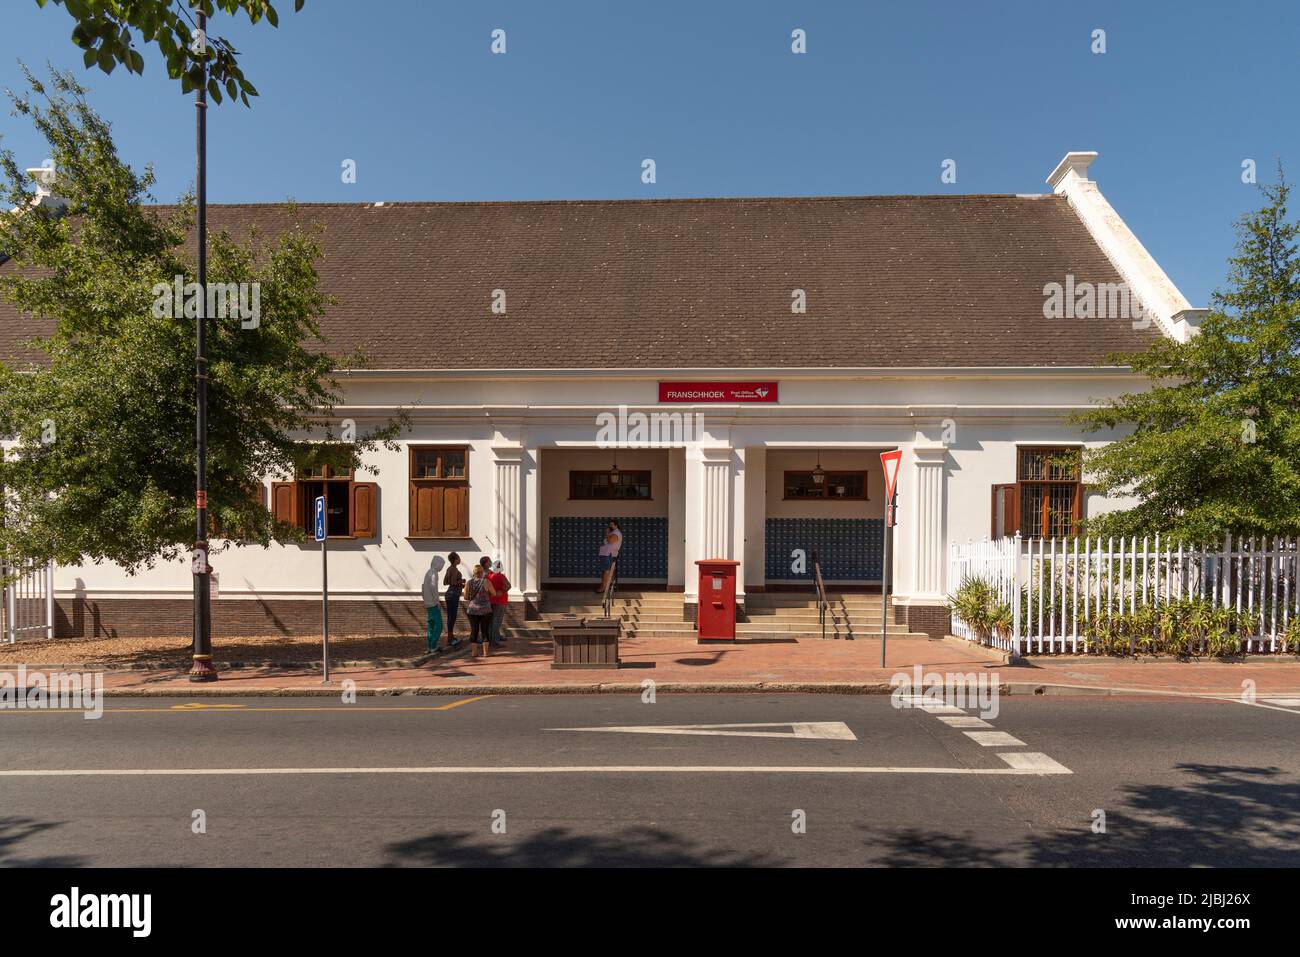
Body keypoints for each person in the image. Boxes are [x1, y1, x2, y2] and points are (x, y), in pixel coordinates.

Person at [463, 563, 496, 657]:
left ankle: (474, 652)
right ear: (482, 573)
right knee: (485, 631)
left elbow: (465, 597)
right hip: (485, 610)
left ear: (474, 572)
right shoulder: (486, 582)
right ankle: (486, 653)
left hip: (472, 610)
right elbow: (493, 593)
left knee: (474, 630)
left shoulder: (469, 582)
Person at [420, 556, 445, 654]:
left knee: (431, 625)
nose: (442, 567)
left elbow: (423, 587)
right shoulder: (434, 573)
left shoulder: (428, 572)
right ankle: (434, 646)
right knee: (438, 625)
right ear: (437, 563)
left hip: (427, 603)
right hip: (433, 603)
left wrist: (425, 599)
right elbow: (434, 588)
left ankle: (430, 646)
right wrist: (437, 601)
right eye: (442, 565)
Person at [486, 559, 511, 647]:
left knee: (491, 621)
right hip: (500, 601)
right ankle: (494, 641)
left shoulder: (488, 576)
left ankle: (489, 639)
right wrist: (501, 591)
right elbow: (508, 586)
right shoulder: (501, 576)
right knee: (497, 621)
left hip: (490, 600)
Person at [443, 552, 465, 649]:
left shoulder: (449, 569)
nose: (460, 560)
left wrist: (459, 584)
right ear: (455, 559)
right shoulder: (454, 569)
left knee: (450, 616)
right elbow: (452, 582)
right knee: (453, 616)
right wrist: (462, 581)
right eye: (459, 558)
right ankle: (450, 639)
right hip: (453, 594)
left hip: (449, 593)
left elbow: (445, 582)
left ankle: (451, 637)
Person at [595, 519, 623, 594]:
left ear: (616, 525)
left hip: (609, 554)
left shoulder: (616, 533)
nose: (610, 526)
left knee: (606, 571)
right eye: (610, 524)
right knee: (607, 571)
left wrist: (607, 533)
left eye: (612, 524)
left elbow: (610, 541)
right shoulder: (613, 532)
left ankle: (603, 588)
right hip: (608, 554)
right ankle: (608, 586)